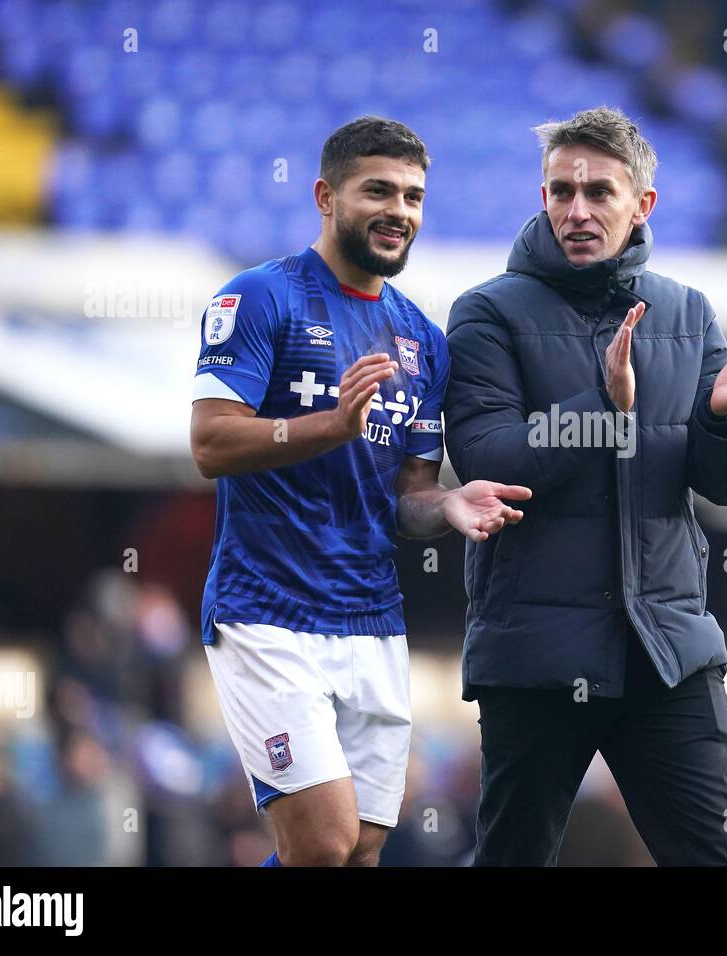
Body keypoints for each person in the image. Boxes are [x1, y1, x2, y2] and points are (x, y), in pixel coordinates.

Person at [443, 106, 727, 866]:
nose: (578, 209)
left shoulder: (688, 313)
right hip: (535, 651)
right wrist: (606, 410)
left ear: (642, 206)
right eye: (561, 191)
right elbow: (486, 458)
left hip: (664, 650)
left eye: (599, 192)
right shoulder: (488, 312)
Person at [189, 116, 528, 867]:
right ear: (325, 195)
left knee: (362, 852)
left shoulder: (423, 341)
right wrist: (328, 428)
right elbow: (210, 443)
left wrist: (445, 503)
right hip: (267, 609)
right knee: (325, 842)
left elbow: (408, 497)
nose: (398, 211)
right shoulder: (259, 299)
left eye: (412, 196)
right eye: (377, 190)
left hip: (371, 618)